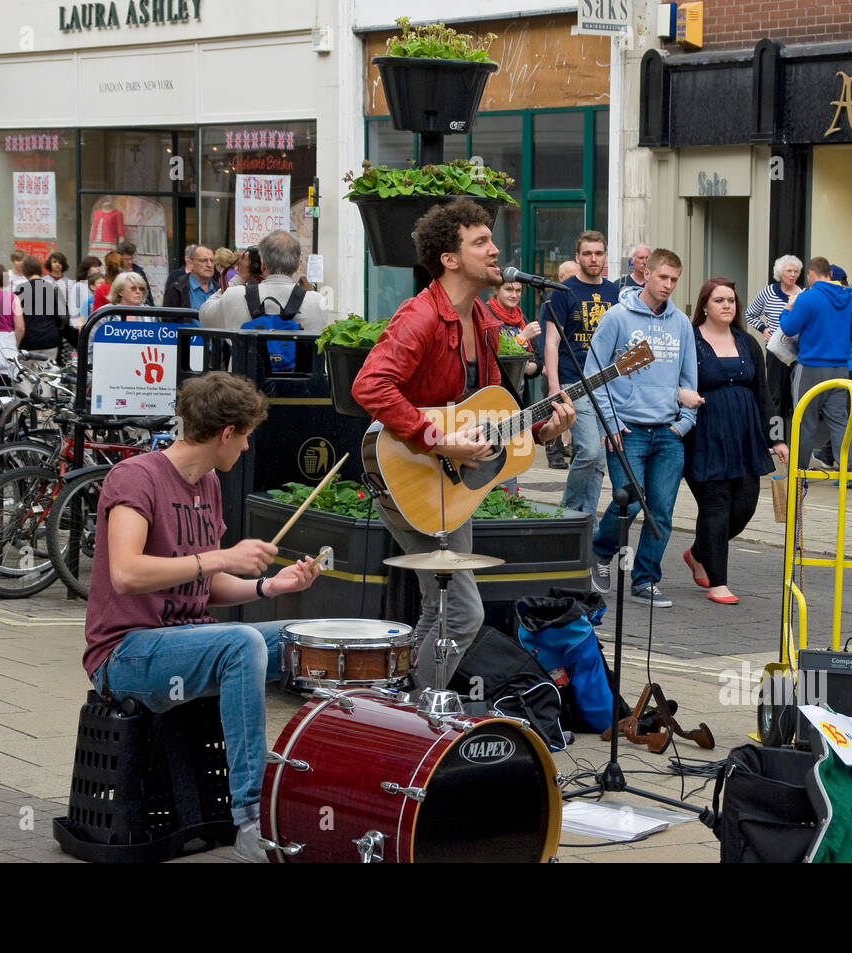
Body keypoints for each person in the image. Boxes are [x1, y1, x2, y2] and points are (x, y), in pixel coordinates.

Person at [82, 370, 322, 862]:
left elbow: (205, 585)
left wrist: (268, 586)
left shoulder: (208, 484)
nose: (249, 448)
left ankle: (331, 797)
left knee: (310, 638)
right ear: (226, 433)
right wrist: (222, 556)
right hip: (125, 652)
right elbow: (126, 572)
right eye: (248, 435)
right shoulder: (136, 478)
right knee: (242, 645)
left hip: (187, 640)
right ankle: (252, 819)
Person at [351, 199, 574, 686]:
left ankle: (400, 700)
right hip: (410, 470)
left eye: (492, 240)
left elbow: (496, 408)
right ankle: (419, 720)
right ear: (450, 259)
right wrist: (439, 442)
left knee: (441, 605)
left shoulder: (483, 322)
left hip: (450, 484)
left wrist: (542, 430)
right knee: (465, 614)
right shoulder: (420, 317)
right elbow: (369, 386)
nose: (496, 250)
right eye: (481, 243)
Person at [587, 249, 697, 608]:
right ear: (646, 273)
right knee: (629, 506)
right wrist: (611, 420)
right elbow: (594, 373)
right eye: (663, 277)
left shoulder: (680, 323)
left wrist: (684, 423)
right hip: (628, 429)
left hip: (668, 432)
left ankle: (645, 579)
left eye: (674, 280)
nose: (668, 285)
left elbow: (688, 379)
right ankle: (600, 552)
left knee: (662, 511)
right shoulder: (617, 318)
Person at [680, 278, 789, 605]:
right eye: (719, 300)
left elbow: (765, 396)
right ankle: (718, 582)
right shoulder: (691, 341)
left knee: (744, 505)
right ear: (704, 306)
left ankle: (699, 553)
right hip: (706, 435)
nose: (727, 305)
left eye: (731, 300)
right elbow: (673, 382)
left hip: (745, 436)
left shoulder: (748, 342)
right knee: (716, 504)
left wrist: (777, 438)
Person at [543, 231, 618, 528]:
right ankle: (567, 509)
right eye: (587, 253)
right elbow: (551, 342)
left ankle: (586, 519)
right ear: (577, 257)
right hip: (574, 382)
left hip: (607, 384)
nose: (593, 259)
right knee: (588, 449)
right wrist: (553, 387)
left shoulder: (614, 293)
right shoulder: (563, 292)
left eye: (599, 253)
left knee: (599, 459)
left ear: (605, 256)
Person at [778, 256, 852, 473]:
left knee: (804, 420)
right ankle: (850, 471)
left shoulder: (808, 298)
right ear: (829, 273)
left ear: (811, 273)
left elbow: (789, 328)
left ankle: (798, 473)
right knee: (839, 420)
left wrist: (786, 310)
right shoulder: (848, 298)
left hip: (810, 366)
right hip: (840, 369)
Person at [200, 230, 329, 331]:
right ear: (297, 266)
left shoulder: (235, 295)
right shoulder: (317, 302)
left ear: (263, 265)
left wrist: (240, 277)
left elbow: (205, 316)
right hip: (298, 366)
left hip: (244, 365)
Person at [746, 254, 803, 440]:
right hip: (776, 352)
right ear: (780, 273)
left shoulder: (803, 294)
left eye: (796, 271)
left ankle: (795, 439)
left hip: (797, 352)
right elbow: (750, 314)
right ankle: (775, 439)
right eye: (789, 271)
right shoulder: (769, 292)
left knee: (795, 397)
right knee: (775, 396)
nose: (792, 275)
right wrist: (763, 329)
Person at [537, 260, 579, 469]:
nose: (573, 280)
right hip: (554, 366)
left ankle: (567, 447)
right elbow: (546, 336)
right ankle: (554, 454)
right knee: (551, 409)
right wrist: (545, 363)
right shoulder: (554, 299)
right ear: (561, 278)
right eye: (570, 276)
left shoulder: (574, 298)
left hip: (571, 365)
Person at [17, 255, 68, 358]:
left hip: (28, 340)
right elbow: (63, 317)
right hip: (50, 339)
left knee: (27, 373)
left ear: (25, 271)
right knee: (47, 373)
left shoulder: (20, 290)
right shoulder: (53, 289)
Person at [164, 244, 216, 313]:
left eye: (212, 261)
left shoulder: (221, 289)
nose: (209, 265)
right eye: (203, 260)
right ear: (190, 263)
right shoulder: (176, 290)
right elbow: (168, 320)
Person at [116, 240, 153, 306]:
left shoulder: (139, 272)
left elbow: (148, 295)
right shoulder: (115, 272)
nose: (130, 262)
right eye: (126, 259)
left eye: (132, 258)